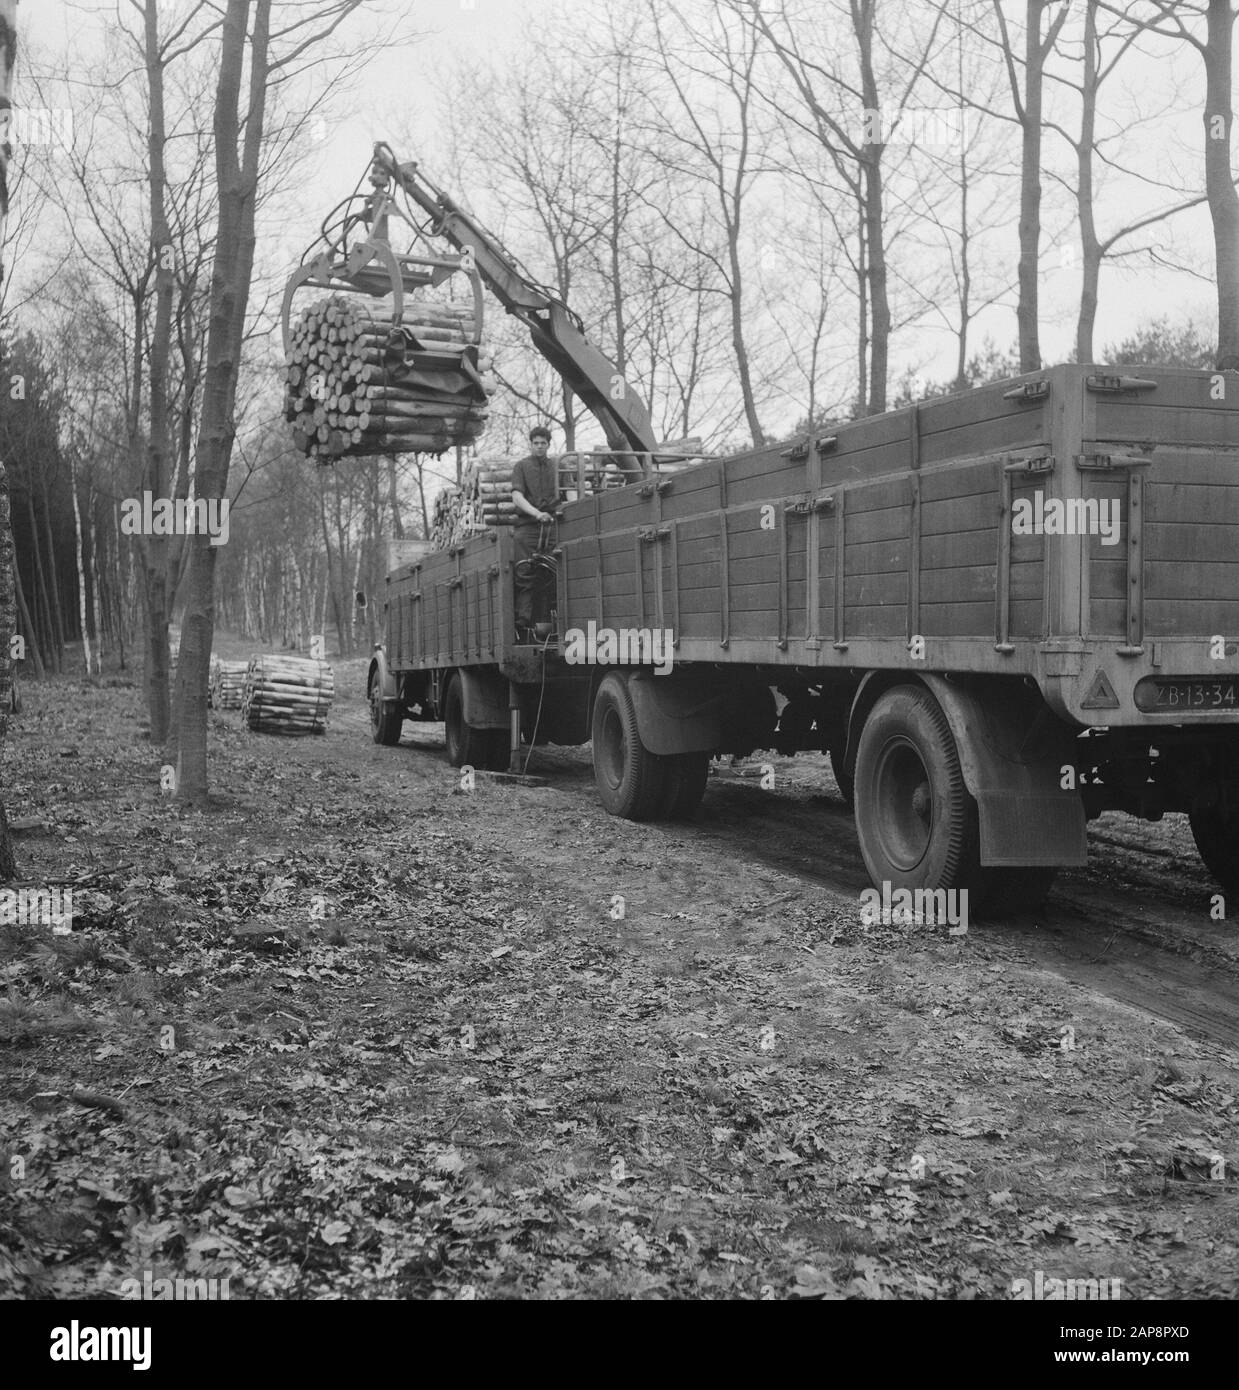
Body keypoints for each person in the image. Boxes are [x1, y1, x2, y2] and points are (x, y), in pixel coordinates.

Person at [511, 425, 560, 636]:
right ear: (531, 444)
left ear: (549, 445)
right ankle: (523, 621)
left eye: (543, 443)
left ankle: (556, 619)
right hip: (529, 526)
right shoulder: (521, 466)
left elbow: (569, 494)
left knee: (555, 572)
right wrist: (535, 513)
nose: (540, 447)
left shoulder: (557, 466)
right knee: (525, 572)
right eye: (536, 443)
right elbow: (517, 496)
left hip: (554, 525)